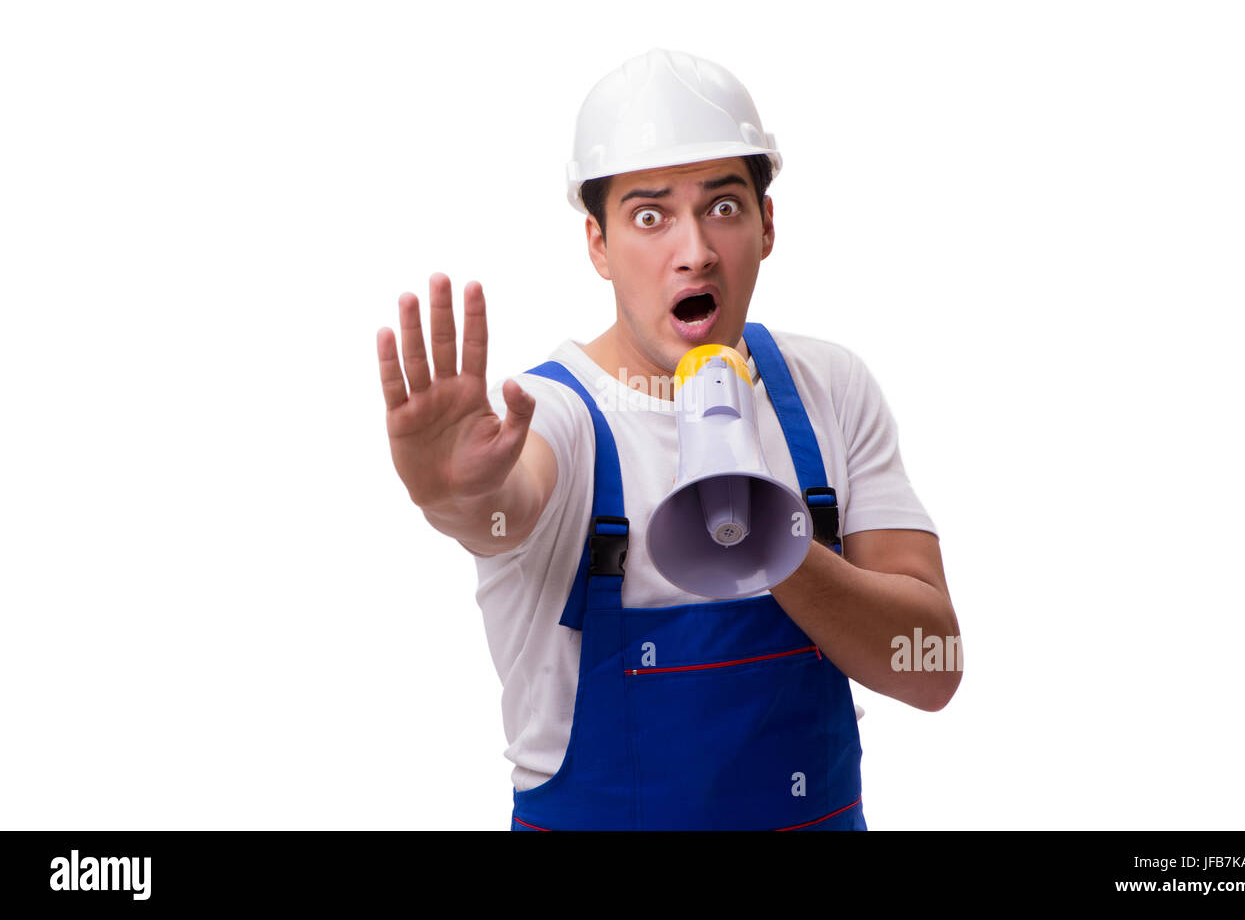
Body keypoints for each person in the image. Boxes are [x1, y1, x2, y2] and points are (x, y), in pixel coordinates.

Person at [376, 49, 960, 830]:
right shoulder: (556, 414)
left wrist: (776, 551)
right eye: (649, 215)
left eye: (723, 206)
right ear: (598, 244)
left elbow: (934, 667)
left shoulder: (831, 389)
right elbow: (506, 502)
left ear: (768, 224)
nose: (696, 250)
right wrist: (453, 492)